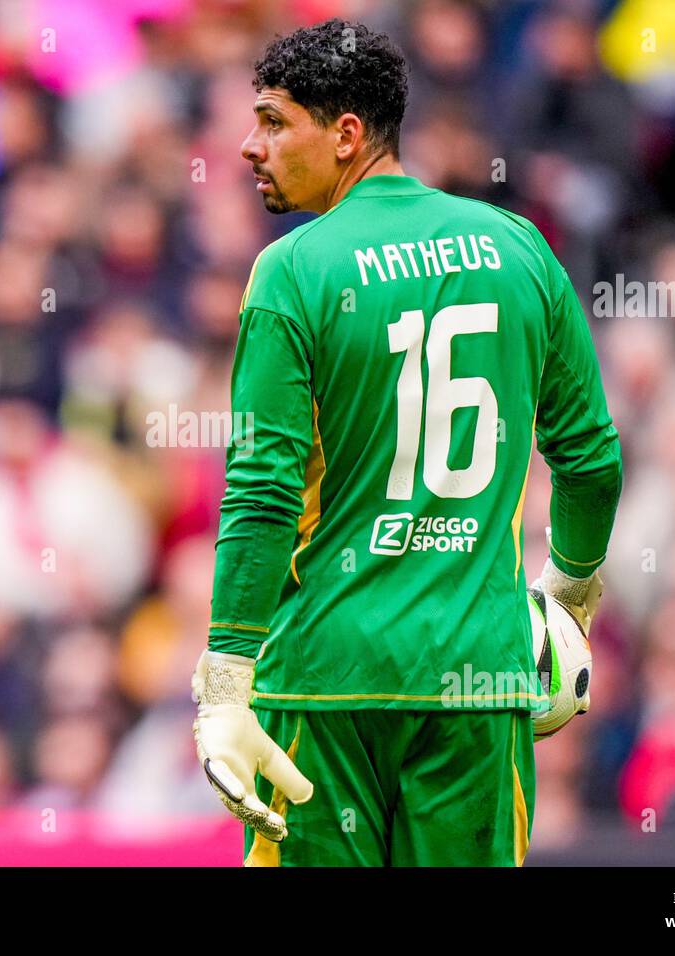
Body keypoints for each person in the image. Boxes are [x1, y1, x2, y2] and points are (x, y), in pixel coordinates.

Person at [191, 18, 623, 866]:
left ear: (347, 134)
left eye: (275, 122)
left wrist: (224, 683)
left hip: (322, 680)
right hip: (478, 677)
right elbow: (591, 457)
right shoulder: (520, 249)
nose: (250, 146)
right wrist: (568, 596)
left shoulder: (293, 270)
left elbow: (263, 490)